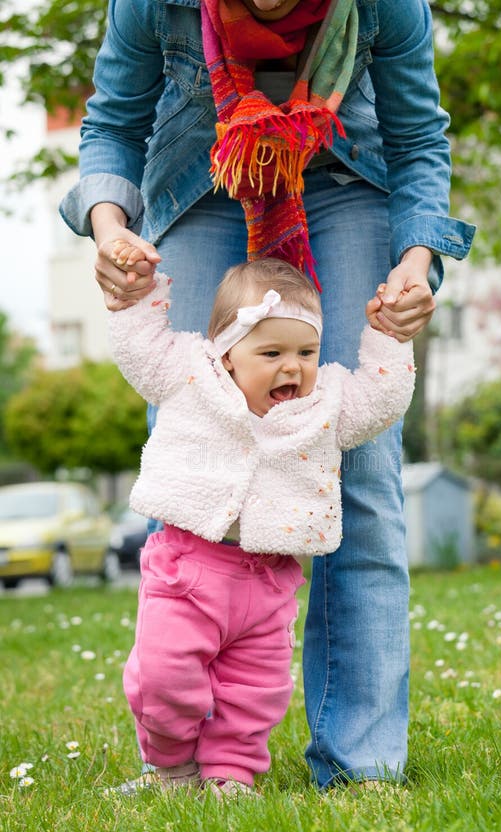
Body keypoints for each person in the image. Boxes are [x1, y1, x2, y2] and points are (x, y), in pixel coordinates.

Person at [59, 0, 475, 789]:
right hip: (201, 181)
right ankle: (180, 759)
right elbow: (112, 122)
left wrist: (416, 265)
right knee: (193, 441)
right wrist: (111, 227)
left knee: (362, 468)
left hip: (350, 181)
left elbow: (421, 141)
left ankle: (363, 765)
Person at [106, 253, 416, 795]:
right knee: (162, 678)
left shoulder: (325, 404)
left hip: (267, 583)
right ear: (227, 354)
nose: (292, 367)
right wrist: (139, 294)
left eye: (306, 352)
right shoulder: (189, 376)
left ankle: (231, 776)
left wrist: (389, 334)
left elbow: (384, 399)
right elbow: (138, 350)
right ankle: (171, 768)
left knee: (253, 692)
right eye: (271, 353)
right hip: (186, 570)